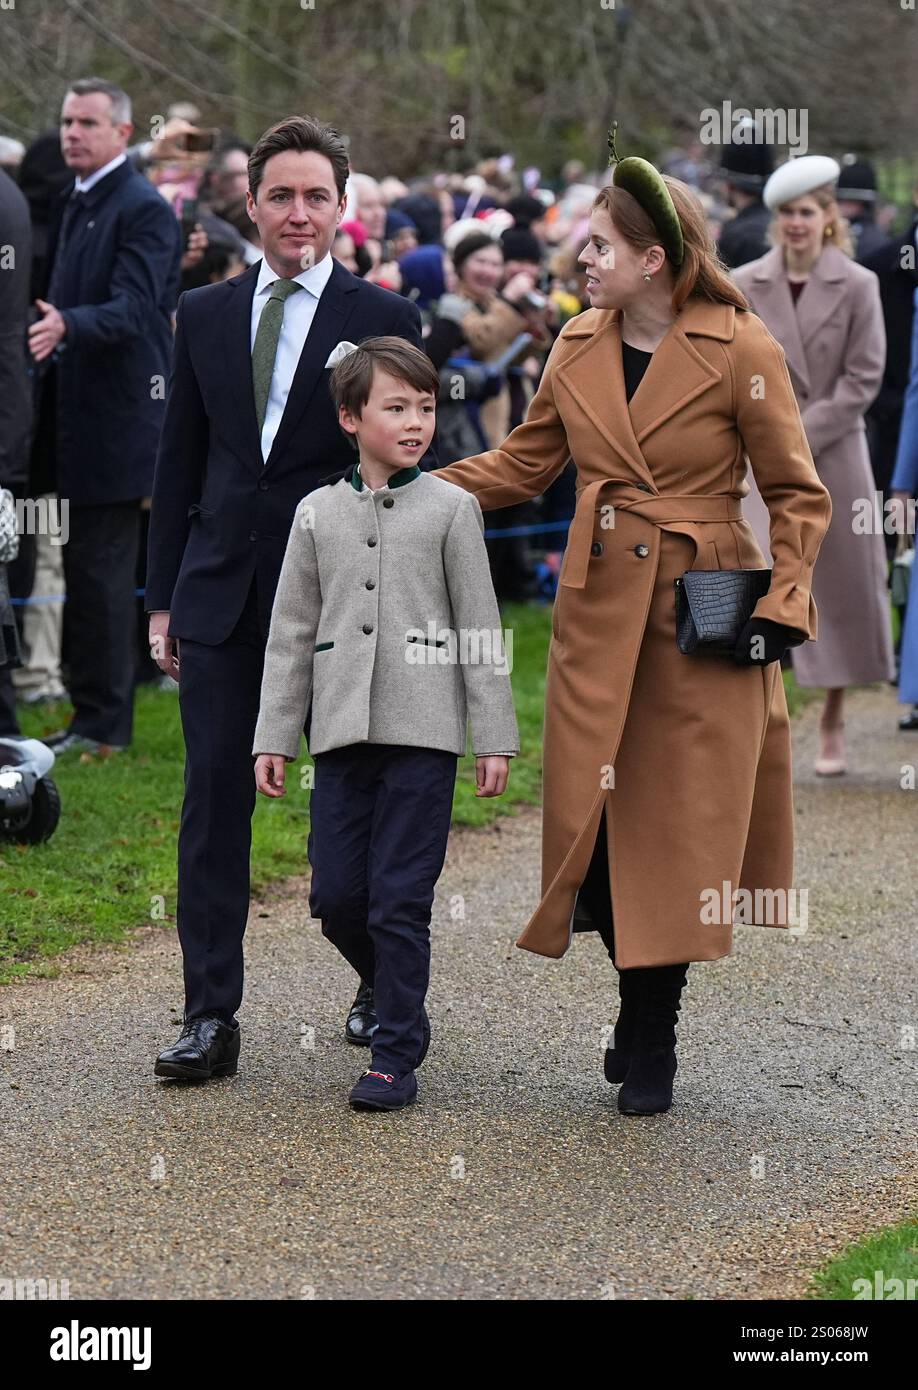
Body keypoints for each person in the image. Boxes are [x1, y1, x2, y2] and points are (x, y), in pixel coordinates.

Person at [431, 143, 831, 1116]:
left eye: (601, 245)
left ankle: (653, 1030)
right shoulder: (574, 347)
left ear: (655, 257)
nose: (583, 260)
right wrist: (409, 488)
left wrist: (783, 604)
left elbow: (795, 493)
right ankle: (632, 996)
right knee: (595, 840)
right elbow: (524, 468)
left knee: (677, 840)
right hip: (598, 618)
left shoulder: (741, 347)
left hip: (701, 627)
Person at [146, 116, 433, 1082]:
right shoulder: (207, 313)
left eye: (316, 196)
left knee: (346, 824)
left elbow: (400, 460)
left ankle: (378, 980)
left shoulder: (385, 312)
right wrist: (161, 599)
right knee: (213, 808)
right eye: (280, 195)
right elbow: (179, 457)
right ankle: (209, 1016)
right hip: (221, 598)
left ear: (342, 208)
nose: (297, 213)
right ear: (252, 204)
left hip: (344, 602)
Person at [252, 337, 519, 1111]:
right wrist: (274, 734)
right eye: (396, 408)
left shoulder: (453, 508)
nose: (415, 423)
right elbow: (291, 634)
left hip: (425, 734)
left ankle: (394, 1052)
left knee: (399, 898)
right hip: (337, 735)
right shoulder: (315, 514)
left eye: (426, 408)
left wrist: (493, 734)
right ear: (349, 417)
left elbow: (480, 624)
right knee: (337, 897)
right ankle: (388, 983)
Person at [29, 78, 183, 756]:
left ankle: (104, 725)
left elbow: (139, 307)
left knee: (101, 577)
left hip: (117, 422)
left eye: (87, 122)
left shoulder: (142, 206)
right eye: (66, 121)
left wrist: (68, 323)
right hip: (69, 418)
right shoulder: (76, 197)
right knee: (79, 570)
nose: (71, 134)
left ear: (122, 133)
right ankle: (85, 710)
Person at [734, 155, 895, 776]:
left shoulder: (859, 284)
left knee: (840, 586)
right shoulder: (747, 282)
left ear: (828, 217)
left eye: (807, 212)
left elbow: (865, 378)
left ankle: (831, 718)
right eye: (786, 214)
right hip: (759, 453)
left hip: (836, 454)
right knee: (758, 577)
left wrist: (798, 433)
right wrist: (768, 433)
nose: (795, 224)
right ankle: (759, 716)